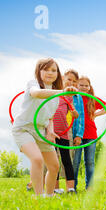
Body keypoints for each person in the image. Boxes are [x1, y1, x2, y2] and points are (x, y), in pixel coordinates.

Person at [12, 58, 77, 197]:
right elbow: (37, 94)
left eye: (53, 70)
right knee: (37, 159)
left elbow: (50, 117)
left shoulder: (56, 94)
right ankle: (38, 196)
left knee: (54, 166)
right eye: (46, 69)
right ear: (38, 71)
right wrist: (62, 91)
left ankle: (48, 196)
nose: (50, 73)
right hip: (23, 128)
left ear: (58, 74)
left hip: (41, 131)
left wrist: (50, 131)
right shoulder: (33, 84)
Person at [73, 76, 106, 191]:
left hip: (90, 134)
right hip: (77, 134)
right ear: (77, 86)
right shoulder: (74, 98)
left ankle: (89, 187)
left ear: (89, 87)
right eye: (81, 85)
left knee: (89, 162)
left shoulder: (92, 99)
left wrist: (95, 114)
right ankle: (72, 187)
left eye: (86, 85)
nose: (84, 87)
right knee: (75, 161)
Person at [53, 69, 84, 194]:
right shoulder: (53, 93)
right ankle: (55, 188)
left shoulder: (70, 97)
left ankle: (70, 188)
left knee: (67, 161)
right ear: (62, 78)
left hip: (64, 133)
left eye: (74, 81)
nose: (71, 82)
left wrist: (74, 113)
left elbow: (75, 114)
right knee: (54, 162)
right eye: (69, 79)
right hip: (50, 133)